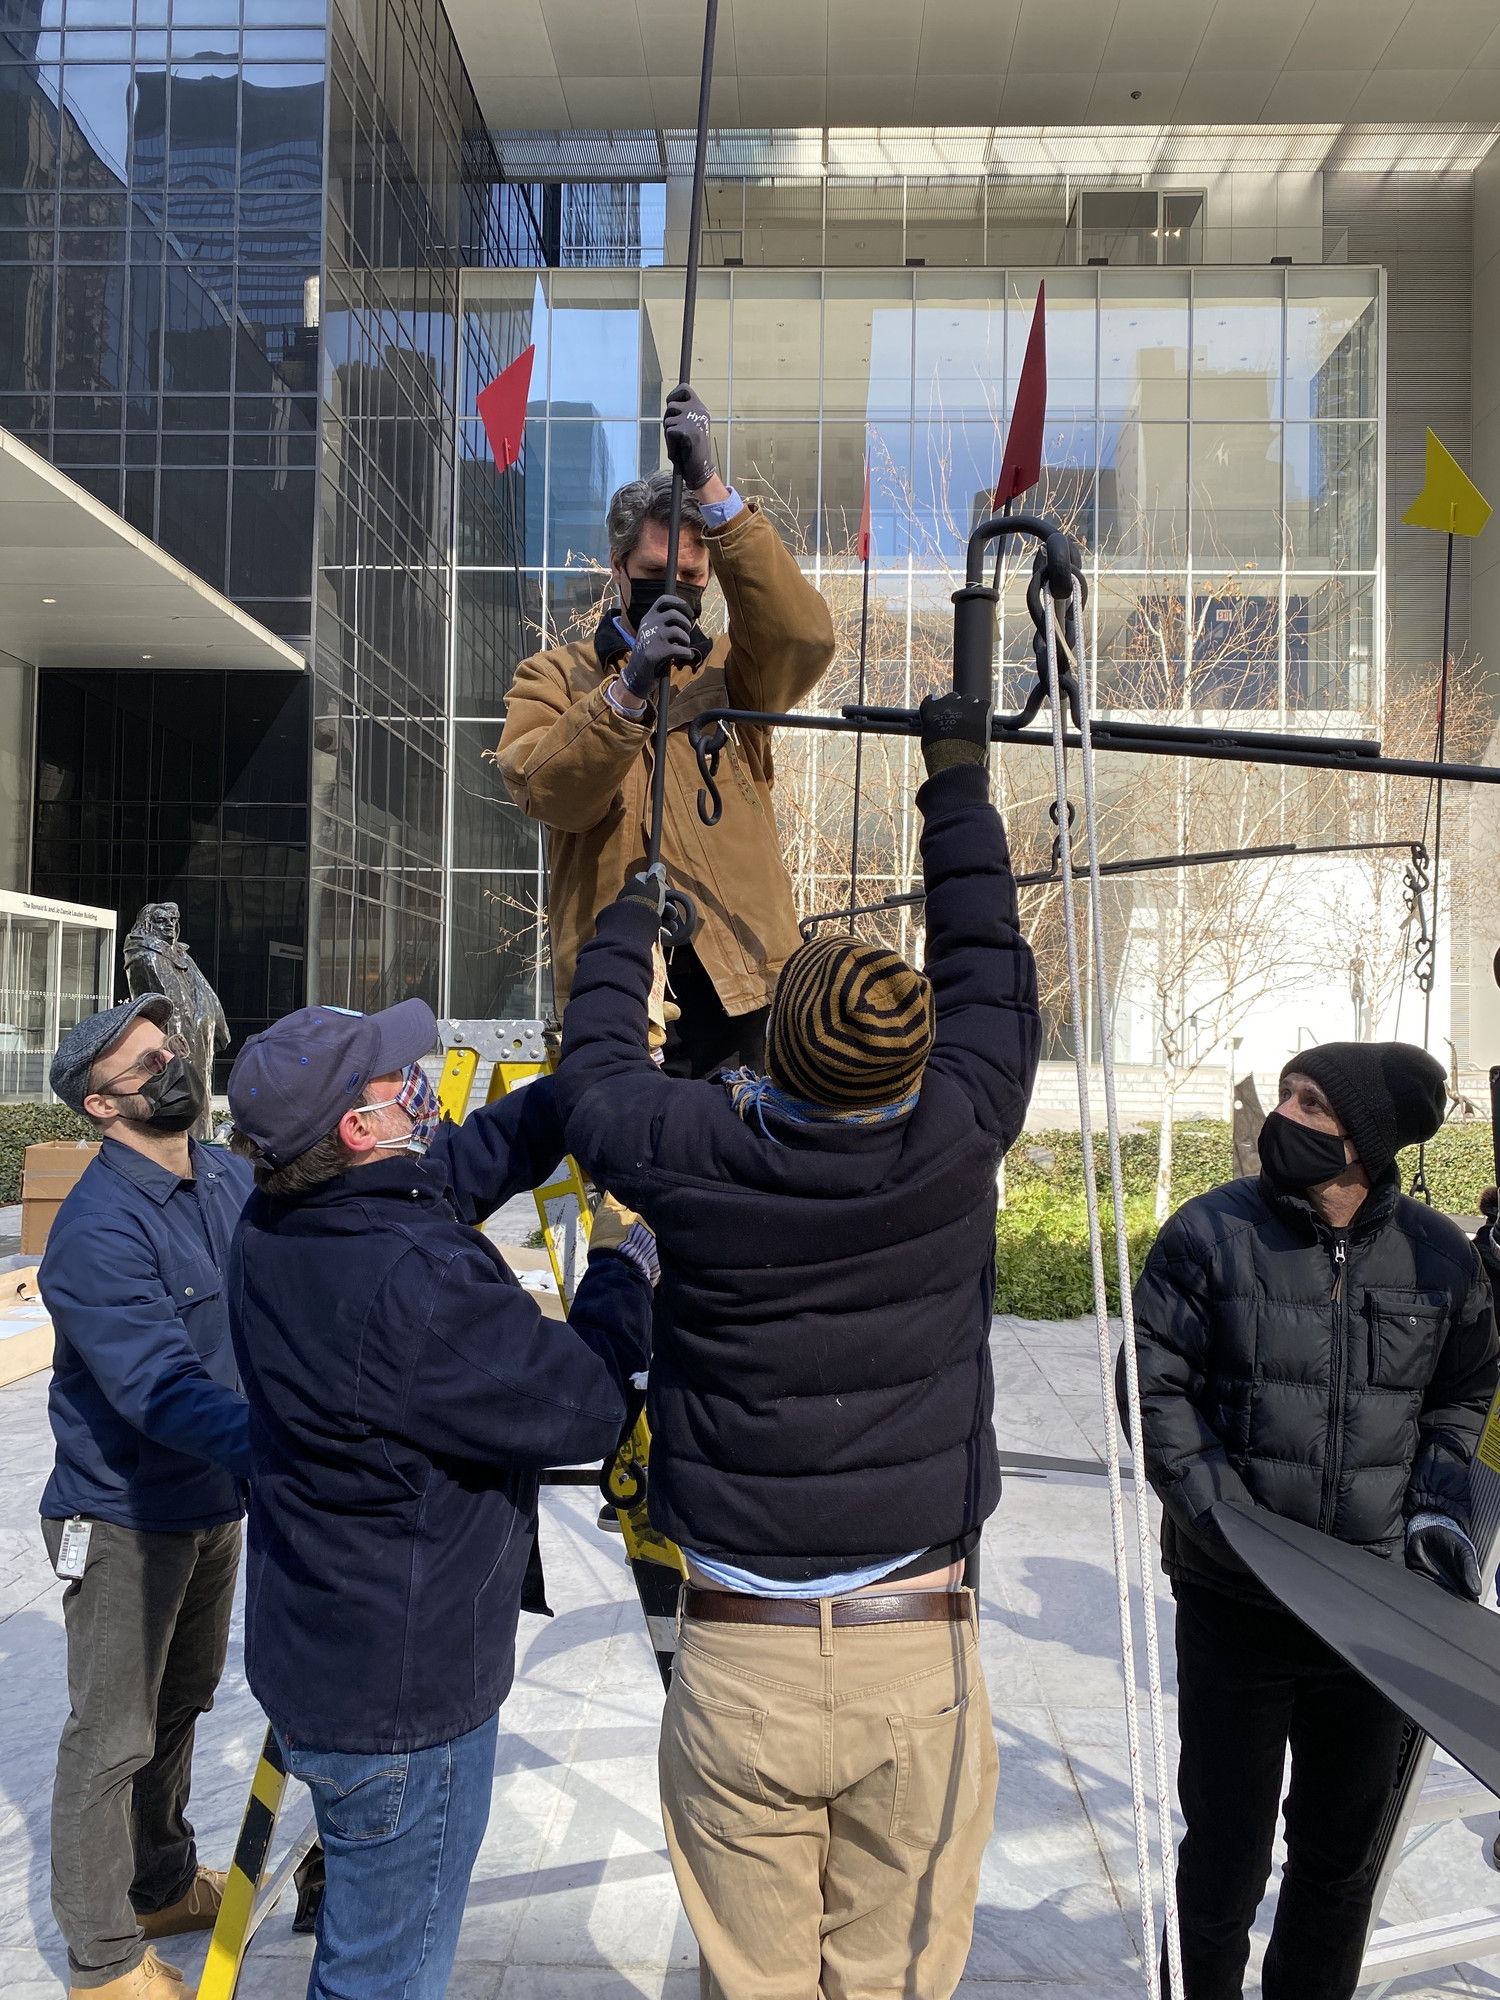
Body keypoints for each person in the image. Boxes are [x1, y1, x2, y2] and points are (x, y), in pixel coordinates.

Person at [551, 692, 1041, 2000]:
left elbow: (594, 1073)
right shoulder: (959, 1137)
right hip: (917, 1644)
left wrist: (634, 926)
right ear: (917, 1064)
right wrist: (956, 782)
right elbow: (990, 965)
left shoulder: (694, 1155)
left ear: (776, 1051)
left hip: (739, 1651)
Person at [224, 1000, 655, 2000]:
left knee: (375, 1947)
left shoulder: (283, 1216)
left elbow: (455, 1169)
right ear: (359, 1130)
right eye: (390, 1077)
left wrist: (574, 1088)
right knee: (384, 1973)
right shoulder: (409, 1283)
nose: (418, 1081)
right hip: (402, 1703)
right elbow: (584, 1401)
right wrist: (625, 1264)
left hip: (325, 1648)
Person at [1128, 1043, 1499, 2000]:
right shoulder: (1207, 1235)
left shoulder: (1440, 1258)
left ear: (1363, 1147)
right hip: (1235, 1604)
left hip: (1372, 1620)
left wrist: (1436, 1507)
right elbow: (1155, 1391)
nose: (1283, 1114)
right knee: (1223, 1856)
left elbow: (1463, 1394)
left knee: (1336, 1869)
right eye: (1287, 1093)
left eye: (1311, 1103)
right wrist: (1231, 1528)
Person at [497, 384, 836, 1078]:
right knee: (634, 1177)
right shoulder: (555, 677)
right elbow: (547, 790)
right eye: (655, 574)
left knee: (750, 1170)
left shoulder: (732, 674)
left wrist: (711, 484)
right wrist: (627, 690)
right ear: (617, 570)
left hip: (748, 986)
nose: (675, 590)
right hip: (623, 1001)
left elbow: (805, 636)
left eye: (691, 575)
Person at [39, 994, 254, 2000]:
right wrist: (292, 1451)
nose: (174, 1065)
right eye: (148, 1061)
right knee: (111, 1732)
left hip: (212, 1500)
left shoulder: (223, 1177)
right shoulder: (94, 1229)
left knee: (181, 1702)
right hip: (121, 1513)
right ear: (102, 1101)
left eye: (170, 1049)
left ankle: (161, 1881)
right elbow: (160, 1386)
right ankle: (102, 1959)